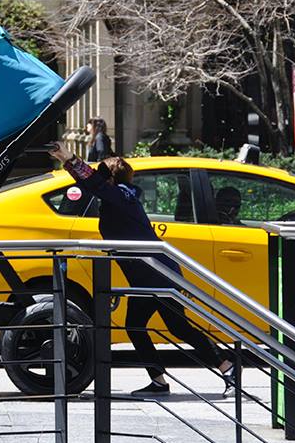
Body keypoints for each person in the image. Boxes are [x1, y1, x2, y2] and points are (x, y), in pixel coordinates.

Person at [49, 142, 237, 397]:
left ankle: (221, 368)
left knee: (164, 327)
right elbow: (91, 185)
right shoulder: (119, 197)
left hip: (156, 275)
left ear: (110, 178)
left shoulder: (123, 196)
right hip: (149, 275)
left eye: (102, 174)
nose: (98, 179)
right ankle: (188, 375)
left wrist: (70, 159)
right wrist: (67, 161)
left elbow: (94, 183)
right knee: (157, 326)